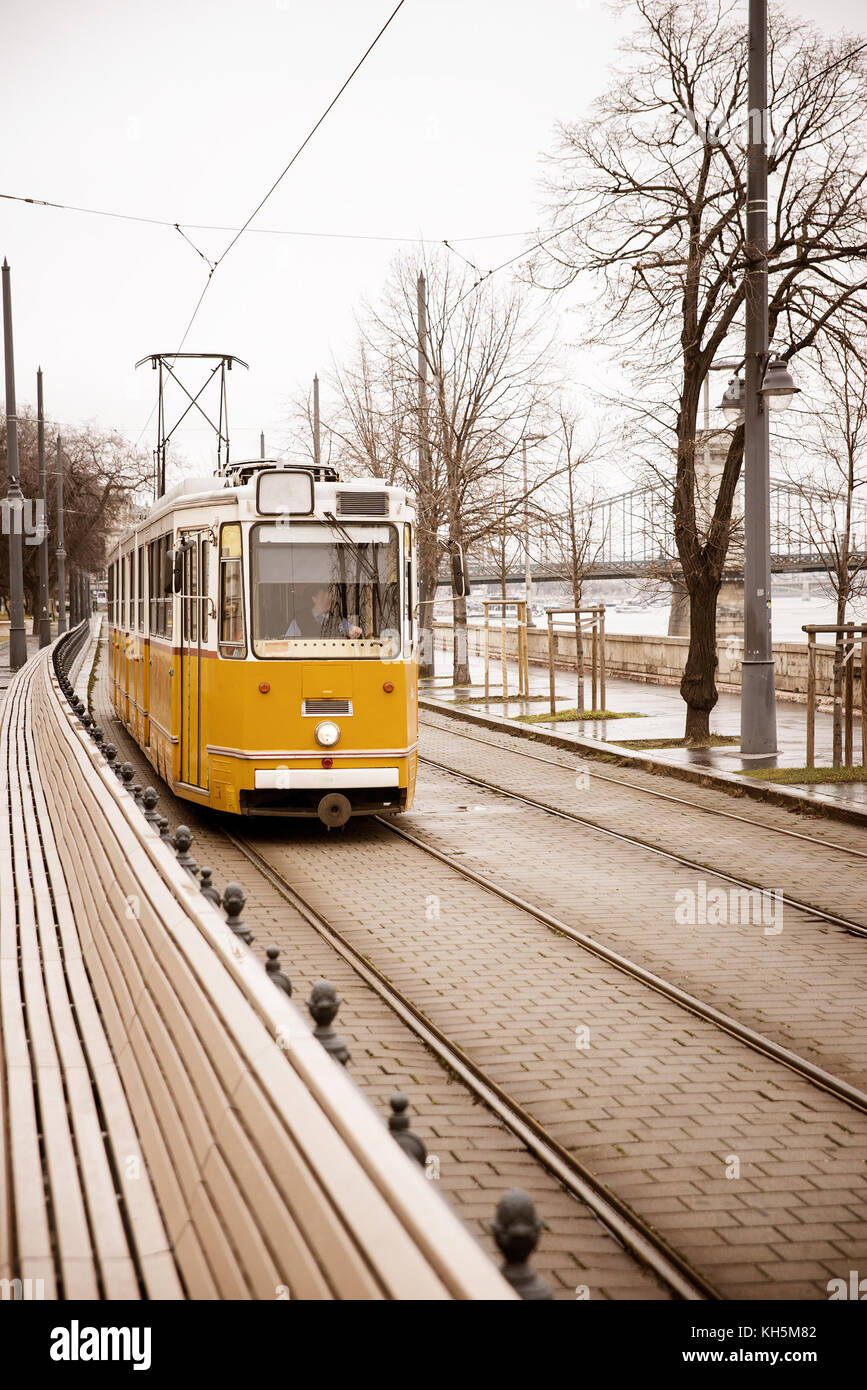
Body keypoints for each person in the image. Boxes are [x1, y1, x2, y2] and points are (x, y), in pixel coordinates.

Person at [285, 584, 362, 639]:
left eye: (330, 596)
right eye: (325, 595)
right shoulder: (299, 620)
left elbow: (349, 629)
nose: (330, 599)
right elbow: (288, 642)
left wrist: (354, 631)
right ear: (314, 599)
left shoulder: (337, 620)